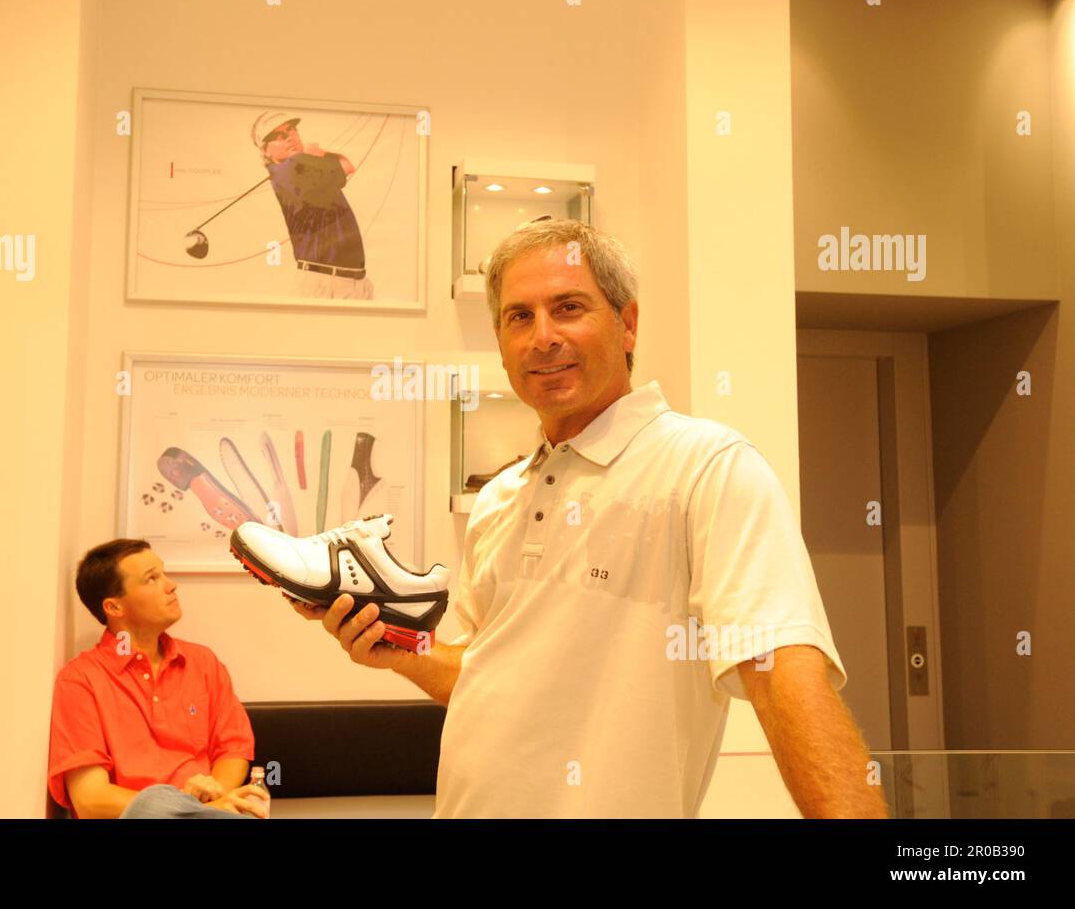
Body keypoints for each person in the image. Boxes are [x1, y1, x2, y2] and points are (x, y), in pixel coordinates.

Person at [289, 219, 889, 819]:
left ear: (627, 325)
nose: (541, 337)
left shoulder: (708, 466)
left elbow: (781, 669)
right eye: (518, 317)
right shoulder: (499, 498)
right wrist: (401, 649)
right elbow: (482, 675)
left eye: (568, 308)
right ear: (500, 343)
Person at [48, 538, 269, 818]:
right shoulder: (80, 680)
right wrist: (187, 807)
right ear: (114, 608)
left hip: (209, 813)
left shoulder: (202, 663)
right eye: (152, 579)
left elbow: (233, 750)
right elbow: (90, 799)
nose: (170, 584)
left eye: (163, 573)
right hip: (139, 816)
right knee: (154, 804)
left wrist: (213, 796)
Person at [253, 111, 372, 300]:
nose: (288, 138)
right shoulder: (292, 166)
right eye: (278, 136)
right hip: (326, 282)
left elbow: (346, 166)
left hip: (350, 279)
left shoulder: (297, 167)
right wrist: (320, 153)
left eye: (291, 129)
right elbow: (347, 165)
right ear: (266, 151)